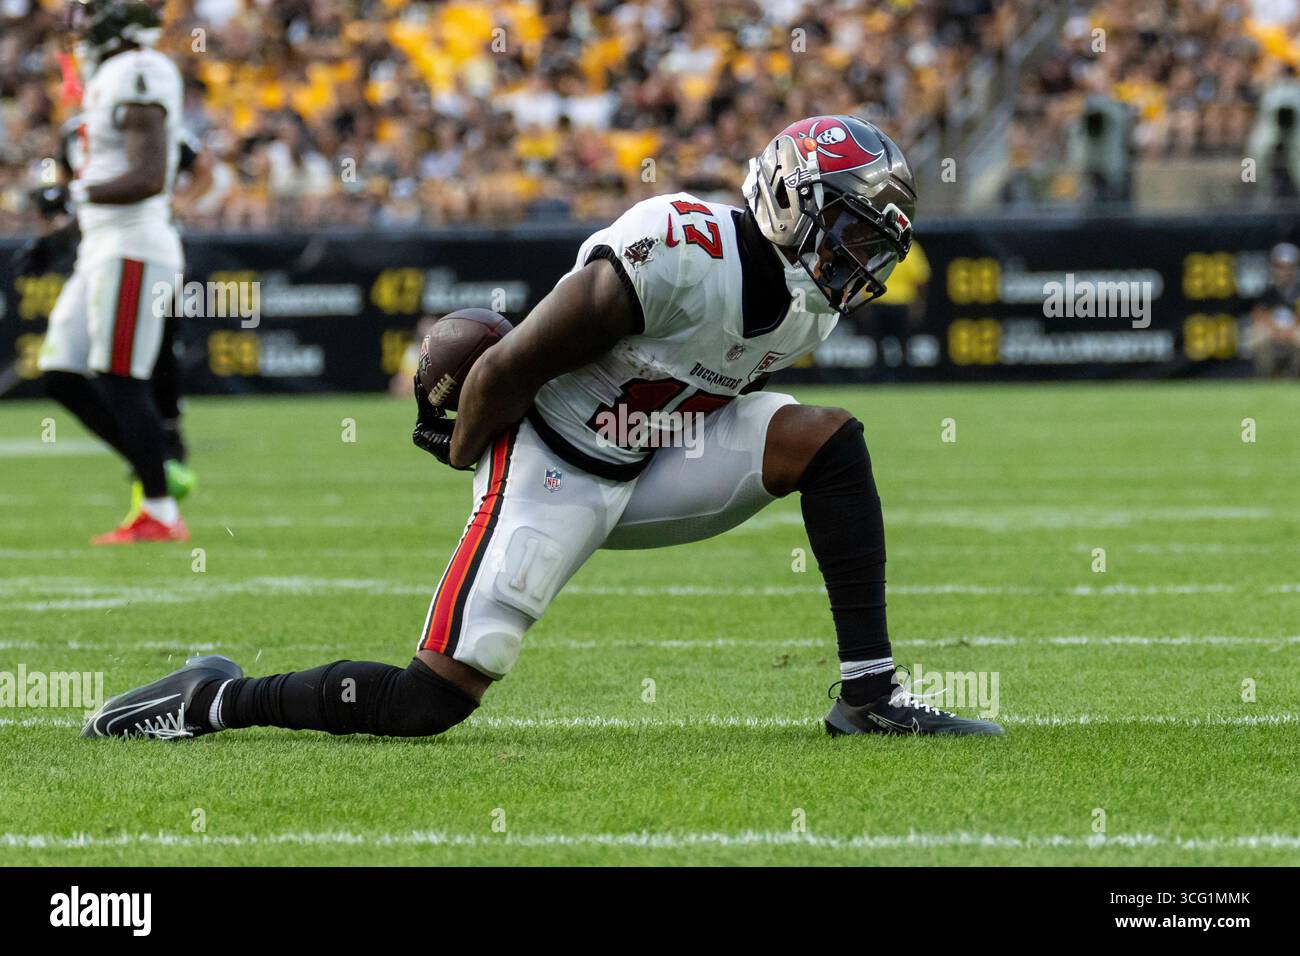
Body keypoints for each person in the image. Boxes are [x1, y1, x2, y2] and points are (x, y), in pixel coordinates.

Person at [84, 115, 1004, 739]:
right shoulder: (679, 249)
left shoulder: (811, 306)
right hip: (552, 462)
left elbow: (697, 386)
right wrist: (464, 449)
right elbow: (506, 365)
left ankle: (870, 696)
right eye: (852, 235)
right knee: (429, 701)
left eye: (873, 245)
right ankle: (210, 699)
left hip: (656, 458)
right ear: (794, 201)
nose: (861, 264)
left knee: (830, 442)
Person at [35, 0, 190, 544]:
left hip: (134, 246)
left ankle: (161, 510)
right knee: (59, 370)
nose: (76, 25)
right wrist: (56, 236)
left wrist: (70, 192)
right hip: (102, 244)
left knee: (120, 377)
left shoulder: (139, 70)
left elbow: (148, 176)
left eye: (86, 13)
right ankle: (158, 463)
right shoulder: (110, 76)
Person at [1250, 242, 1300, 378]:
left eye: (1289, 267)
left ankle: (1295, 379)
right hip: (1273, 332)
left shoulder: (1298, 291)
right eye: (1280, 267)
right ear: (1273, 267)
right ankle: (1266, 380)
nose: (1285, 271)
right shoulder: (1267, 292)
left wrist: (1289, 332)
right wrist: (1275, 332)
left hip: (1293, 332)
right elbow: (1258, 315)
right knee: (1258, 336)